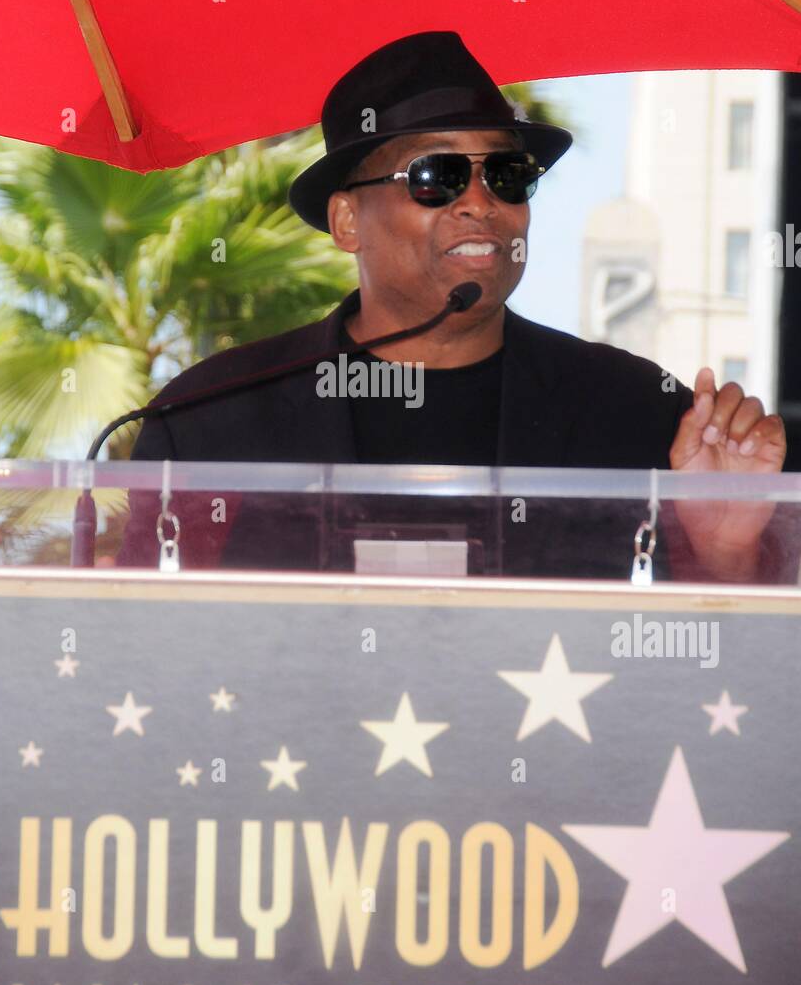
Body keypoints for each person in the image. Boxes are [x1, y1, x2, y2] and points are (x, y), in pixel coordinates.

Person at [122, 31, 790, 582]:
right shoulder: (210, 422)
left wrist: (723, 548)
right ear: (347, 221)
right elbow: (148, 660)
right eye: (435, 176)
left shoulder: (639, 413)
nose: (480, 202)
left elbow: (711, 692)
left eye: (505, 175)